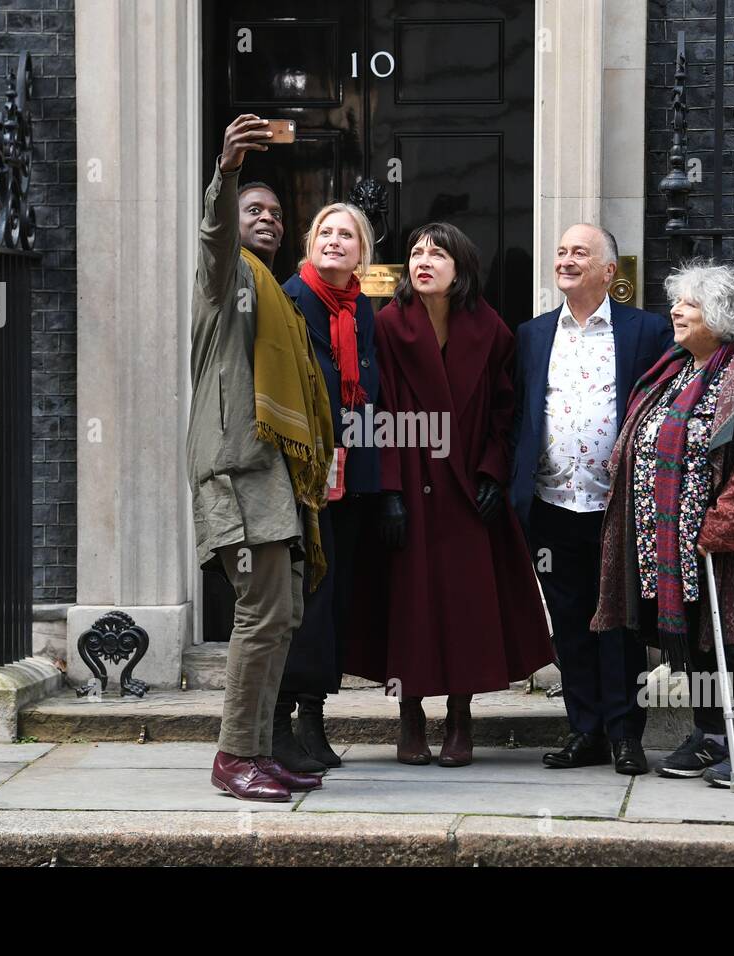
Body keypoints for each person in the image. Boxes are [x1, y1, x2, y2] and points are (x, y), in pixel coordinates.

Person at [347, 222, 554, 767]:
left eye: (437, 254)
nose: (424, 260)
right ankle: (410, 715)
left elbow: (506, 413)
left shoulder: (492, 332)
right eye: (416, 252)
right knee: (409, 605)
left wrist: (491, 475)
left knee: (467, 607)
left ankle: (460, 718)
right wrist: (387, 490)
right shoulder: (386, 327)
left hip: (467, 492)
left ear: (459, 267)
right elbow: (376, 413)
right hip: (409, 488)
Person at [591, 260, 734, 788]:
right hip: (670, 541)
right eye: (678, 301)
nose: (676, 311)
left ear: (723, 316)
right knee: (697, 633)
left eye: (690, 304)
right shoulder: (676, 367)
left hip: (730, 542)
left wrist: (720, 527)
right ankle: (709, 734)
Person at [187, 114, 335, 801]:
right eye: (255, 209)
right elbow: (214, 234)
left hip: (272, 475)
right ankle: (233, 759)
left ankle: (262, 750)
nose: (267, 218)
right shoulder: (226, 279)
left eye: (276, 212)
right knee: (259, 612)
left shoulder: (274, 290)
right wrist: (227, 172)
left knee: (282, 614)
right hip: (237, 472)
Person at [511, 224, 673, 775]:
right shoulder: (532, 335)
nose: (566, 259)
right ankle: (586, 731)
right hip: (552, 505)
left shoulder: (645, 331)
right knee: (570, 622)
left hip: (617, 508)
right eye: (560, 251)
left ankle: (626, 734)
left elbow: (669, 406)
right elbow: (521, 415)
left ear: (609, 270)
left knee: (621, 624)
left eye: (580, 252)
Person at [273, 203, 381, 771]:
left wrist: (376, 483)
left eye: (348, 235)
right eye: (326, 232)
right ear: (310, 242)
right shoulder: (288, 299)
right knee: (299, 607)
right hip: (299, 480)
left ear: (363, 252)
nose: (335, 241)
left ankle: (313, 721)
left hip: (348, 483)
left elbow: (372, 401)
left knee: (332, 605)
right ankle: (279, 724)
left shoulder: (362, 310)